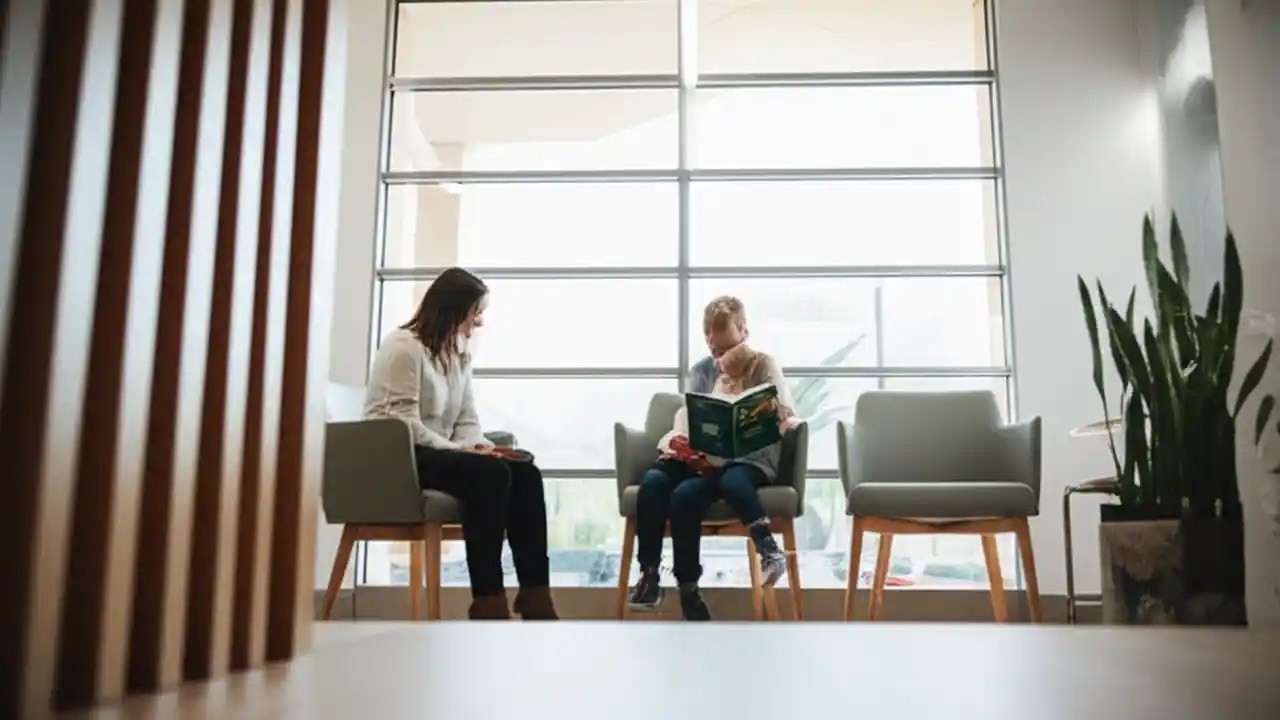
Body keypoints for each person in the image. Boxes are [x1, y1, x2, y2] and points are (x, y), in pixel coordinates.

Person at [363, 267, 557, 620]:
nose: (478, 323)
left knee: (525, 473)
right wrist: (460, 452)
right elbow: (402, 423)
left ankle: (535, 594)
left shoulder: (459, 353)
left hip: (440, 453)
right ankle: (488, 598)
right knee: (490, 476)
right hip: (399, 457)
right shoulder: (403, 348)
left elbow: (467, 419)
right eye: (474, 314)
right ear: (452, 310)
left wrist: (480, 447)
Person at [628, 296, 797, 620]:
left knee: (688, 494)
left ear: (744, 332)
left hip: (746, 459)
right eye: (716, 350)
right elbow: (694, 418)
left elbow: (784, 413)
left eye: (729, 348)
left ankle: (695, 585)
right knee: (657, 484)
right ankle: (652, 576)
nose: (721, 358)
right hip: (702, 463)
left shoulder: (763, 365)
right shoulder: (702, 372)